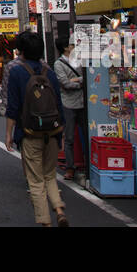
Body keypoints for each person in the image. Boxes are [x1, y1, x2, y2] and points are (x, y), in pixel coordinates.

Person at [5, 30, 68, 227]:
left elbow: (13, 108)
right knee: (49, 174)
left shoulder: (16, 72)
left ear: (20, 51)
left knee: (35, 179)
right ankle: (58, 209)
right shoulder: (49, 71)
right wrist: (62, 132)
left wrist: (9, 134)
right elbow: (58, 103)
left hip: (30, 132)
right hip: (52, 130)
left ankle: (45, 222)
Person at [54, 39, 88, 180]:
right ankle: (70, 167)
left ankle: (88, 165)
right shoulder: (58, 64)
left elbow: (87, 76)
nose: (74, 47)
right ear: (65, 47)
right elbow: (65, 83)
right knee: (69, 137)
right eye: (71, 45)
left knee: (86, 134)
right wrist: (80, 82)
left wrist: (76, 80)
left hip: (82, 102)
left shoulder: (79, 60)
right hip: (68, 103)